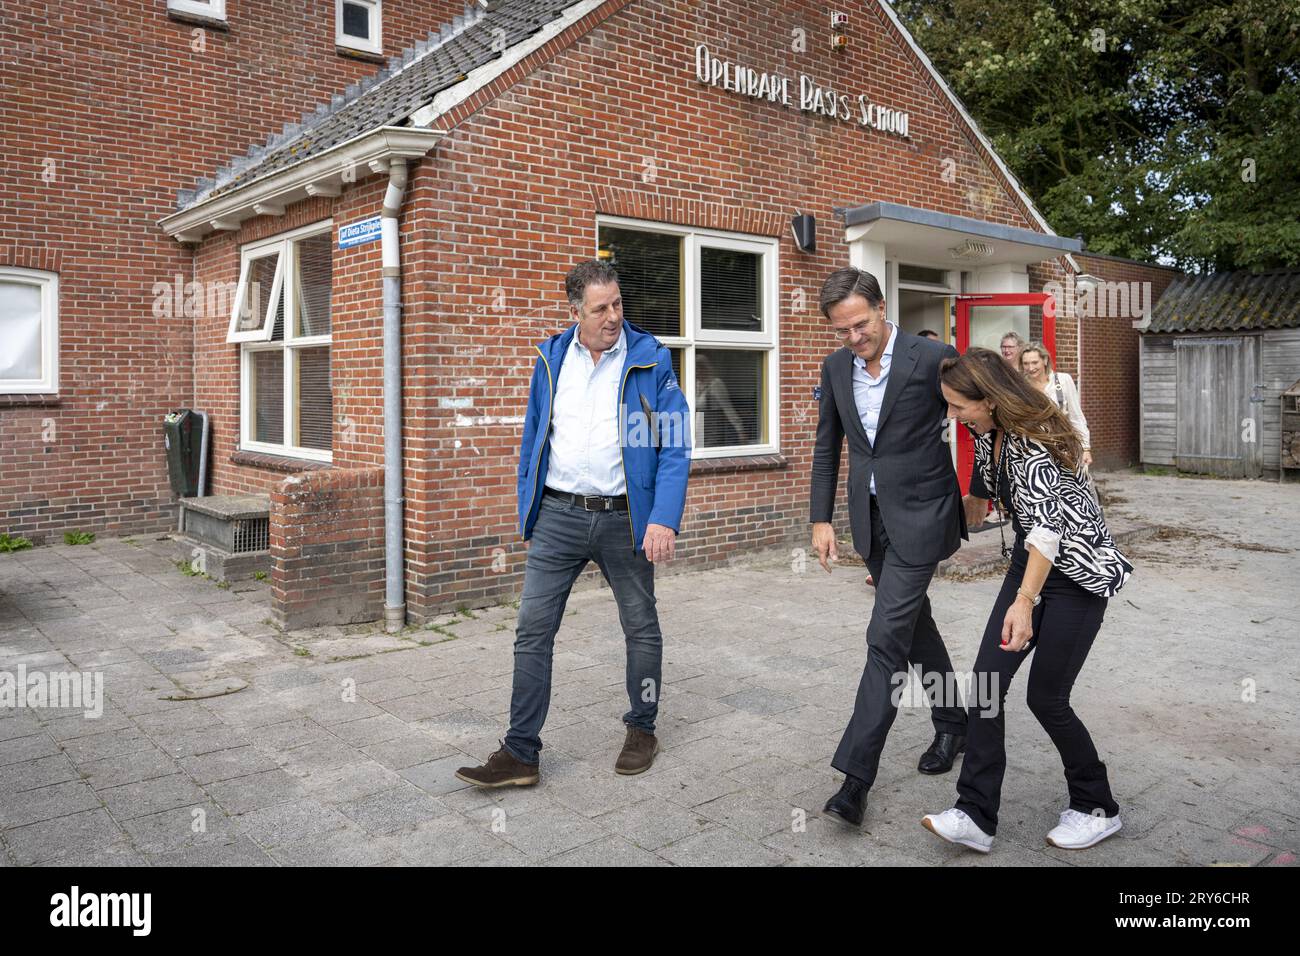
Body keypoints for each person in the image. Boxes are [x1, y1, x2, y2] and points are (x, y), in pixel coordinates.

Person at [456, 260, 691, 788]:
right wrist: (530, 508)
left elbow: (675, 445)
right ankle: (520, 753)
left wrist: (663, 518)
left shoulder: (651, 360)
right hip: (559, 516)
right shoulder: (552, 358)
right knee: (532, 632)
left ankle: (642, 727)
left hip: (625, 518)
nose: (613, 317)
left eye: (618, 304)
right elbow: (535, 435)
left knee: (641, 628)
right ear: (575, 311)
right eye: (600, 308)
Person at [922, 347, 1133, 853]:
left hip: (1075, 576)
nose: (952, 416)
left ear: (989, 400)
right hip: (1032, 565)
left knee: (1046, 698)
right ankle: (974, 814)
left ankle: (1097, 808)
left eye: (959, 406)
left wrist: (1023, 603)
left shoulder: (1034, 440)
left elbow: (1045, 530)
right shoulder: (987, 431)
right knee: (988, 686)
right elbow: (989, 496)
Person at [810, 267, 969, 829]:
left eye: (861, 323)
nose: (855, 338)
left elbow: (981, 408)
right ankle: (954, 720)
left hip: (923, 517)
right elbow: (828, 447)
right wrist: (820, 519)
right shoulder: (835, 368)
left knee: (884, 638)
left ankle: (855, 780)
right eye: (842, 331)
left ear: (881, 307)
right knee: (912, 624)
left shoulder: (932, 359)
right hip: (869, 520)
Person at [1019, 341, 1093, 468]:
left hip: (1063, 449)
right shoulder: (1021, 386)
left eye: (1035, 362)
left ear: (1045, 360)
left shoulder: (1063, 380)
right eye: (1026, 363)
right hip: (1032, 452)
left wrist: (1086, 448)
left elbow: (1076, 417)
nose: (1030, 368)